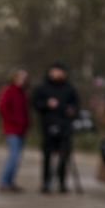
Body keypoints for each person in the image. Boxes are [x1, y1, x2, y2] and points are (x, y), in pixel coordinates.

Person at [31, 61, 79, 194]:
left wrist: (72, 111)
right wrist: (47, 104)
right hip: (48, 125)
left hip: (65, 126)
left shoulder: (69, 89)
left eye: (60, 71)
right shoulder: (42, 88)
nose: (57, 74)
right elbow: (35, 104)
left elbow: (76, 106)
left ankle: (62, 183)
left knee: (64, 155)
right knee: (47, 155)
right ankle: (46, 182)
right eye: (55, 71)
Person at [0, 67, 30, 192]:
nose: (22, 80)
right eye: (20, 77)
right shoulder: (8, 90)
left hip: (21, 129)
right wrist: (13, 121)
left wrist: (26, 124)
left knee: (17, 157)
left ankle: (10, 182)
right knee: (13, 156)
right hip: (12, 129)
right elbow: (2, 108)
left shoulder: (23, 93)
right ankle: (4, 182)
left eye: (24, 78)